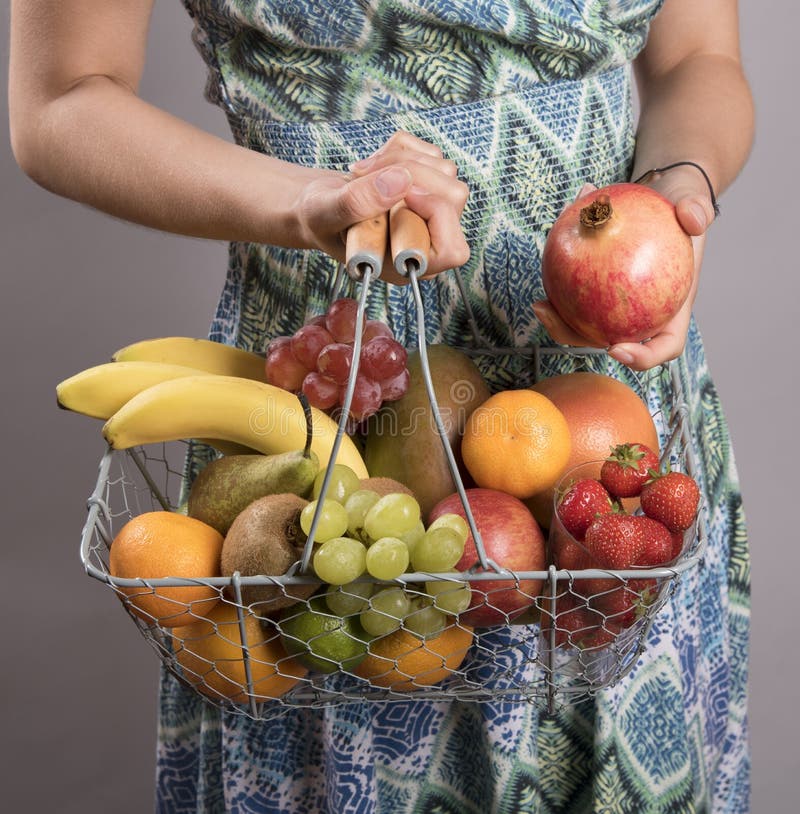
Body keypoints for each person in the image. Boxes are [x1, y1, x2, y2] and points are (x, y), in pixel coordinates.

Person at [9, 1, 754, 811]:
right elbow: (60, 100)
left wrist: (674, 198)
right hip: (336, 410)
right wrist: (307, 201)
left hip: (604, 417)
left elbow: (697, 61)